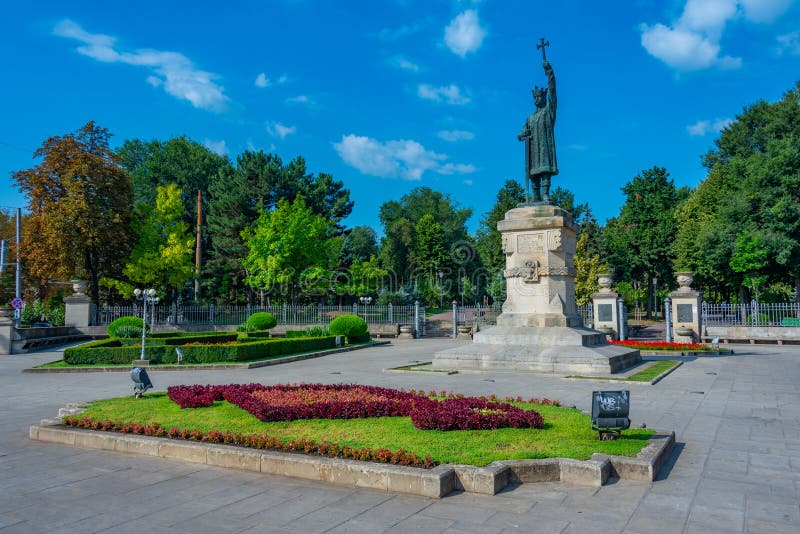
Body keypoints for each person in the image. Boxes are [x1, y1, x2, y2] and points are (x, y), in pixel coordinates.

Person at [518, 59, 557, 203]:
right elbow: (522, 132)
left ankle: (545, 194)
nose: (536, 99)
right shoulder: (530, 118)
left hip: (544, 148)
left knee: (545, 169)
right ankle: (535, 196)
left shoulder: (548, 111)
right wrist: (522, 134)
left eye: (539, 96)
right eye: (534, 97)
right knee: (533, 172)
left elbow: (553, 93)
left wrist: (550, 74)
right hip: (533, 151)